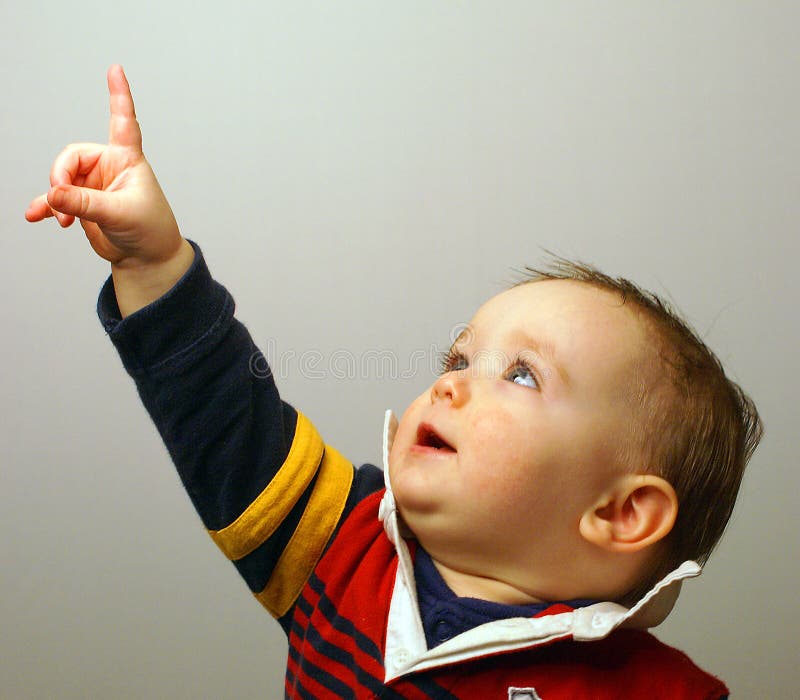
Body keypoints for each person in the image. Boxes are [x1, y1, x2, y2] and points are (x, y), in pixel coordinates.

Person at [26, 66, 762, 699]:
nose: (450, 386)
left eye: (520, 374)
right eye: (458, 359)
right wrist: (152, 265)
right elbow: (223, 418)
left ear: (620, 513)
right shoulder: (340, 547)